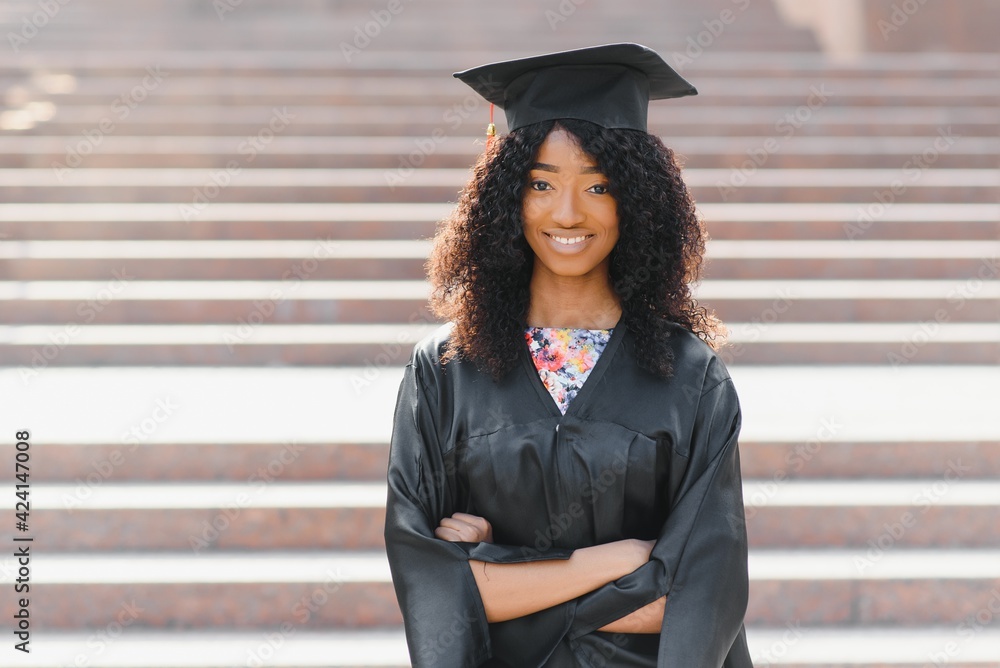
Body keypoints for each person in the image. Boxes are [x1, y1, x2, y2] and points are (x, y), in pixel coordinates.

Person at [383, 43, 753, 667]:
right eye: (541, 183)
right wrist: (599, 564)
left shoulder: (691, 378)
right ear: (507, 197)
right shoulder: (445, 372)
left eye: (599, 185)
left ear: (637, 198)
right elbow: (429, 588)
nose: (567, 213)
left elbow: (699, 597)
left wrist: (496, 579)